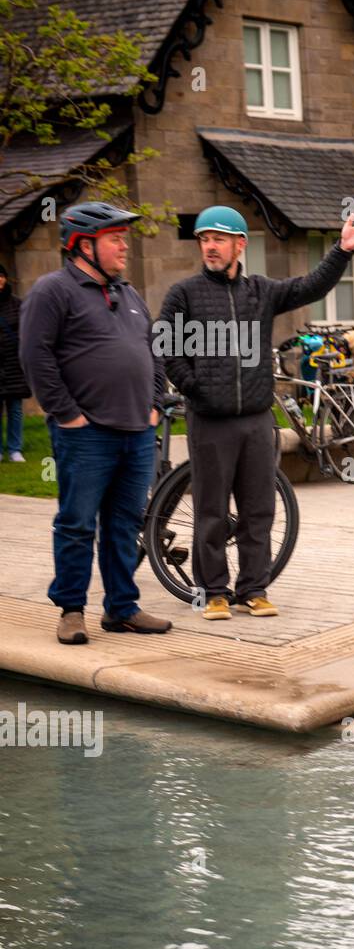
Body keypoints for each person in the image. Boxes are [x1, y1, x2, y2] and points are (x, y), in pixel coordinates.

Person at [161, 205, 354, 620]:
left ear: (239, 245)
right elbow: (167, 348)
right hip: (209, 419)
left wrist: (342, 250)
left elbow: (311, 287)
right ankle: (214, 593)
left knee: (258, 508)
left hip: (258, 418)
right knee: (210, 508)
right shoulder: (184, 294)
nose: (210, 246)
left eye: (219, 239)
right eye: (205, 239)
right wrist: (195, 389)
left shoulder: (260, 291)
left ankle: (253, 588)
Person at [19, 202, 172, 644]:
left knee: (125, 524)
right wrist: (67, 414)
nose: (125, 245)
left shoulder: (129, 294)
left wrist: (155, 403)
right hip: (86, 436)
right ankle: (71, 610)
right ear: (84, 244)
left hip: (137, 432)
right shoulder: (52, 291)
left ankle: (121, 608)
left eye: (124, 236)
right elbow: (35, 357)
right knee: (77, 523)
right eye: (115, 237)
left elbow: (153, 350)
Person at [0, 263, 29, 462]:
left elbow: (26, 330)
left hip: (13, 364)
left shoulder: (17, 304)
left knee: (15, 409)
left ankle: (15, 448)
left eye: (1, 276)